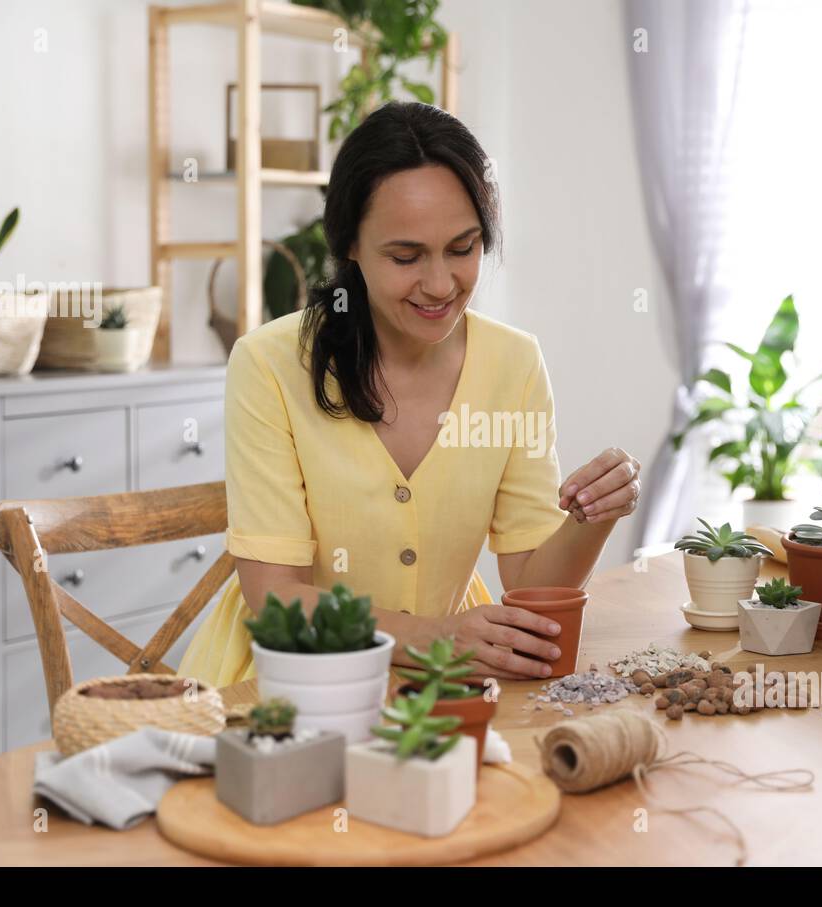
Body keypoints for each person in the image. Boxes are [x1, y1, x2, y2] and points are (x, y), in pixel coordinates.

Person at [177, 102, 641, 687]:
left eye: (463, 248)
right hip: (282, 679)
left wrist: (594, 515)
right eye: (405, 257)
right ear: (349, 245)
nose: (441, 285)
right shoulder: (269, 364)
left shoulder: (513, 363)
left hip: (445, 682)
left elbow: (531, 587)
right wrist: (435, 637)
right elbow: (277, 601)